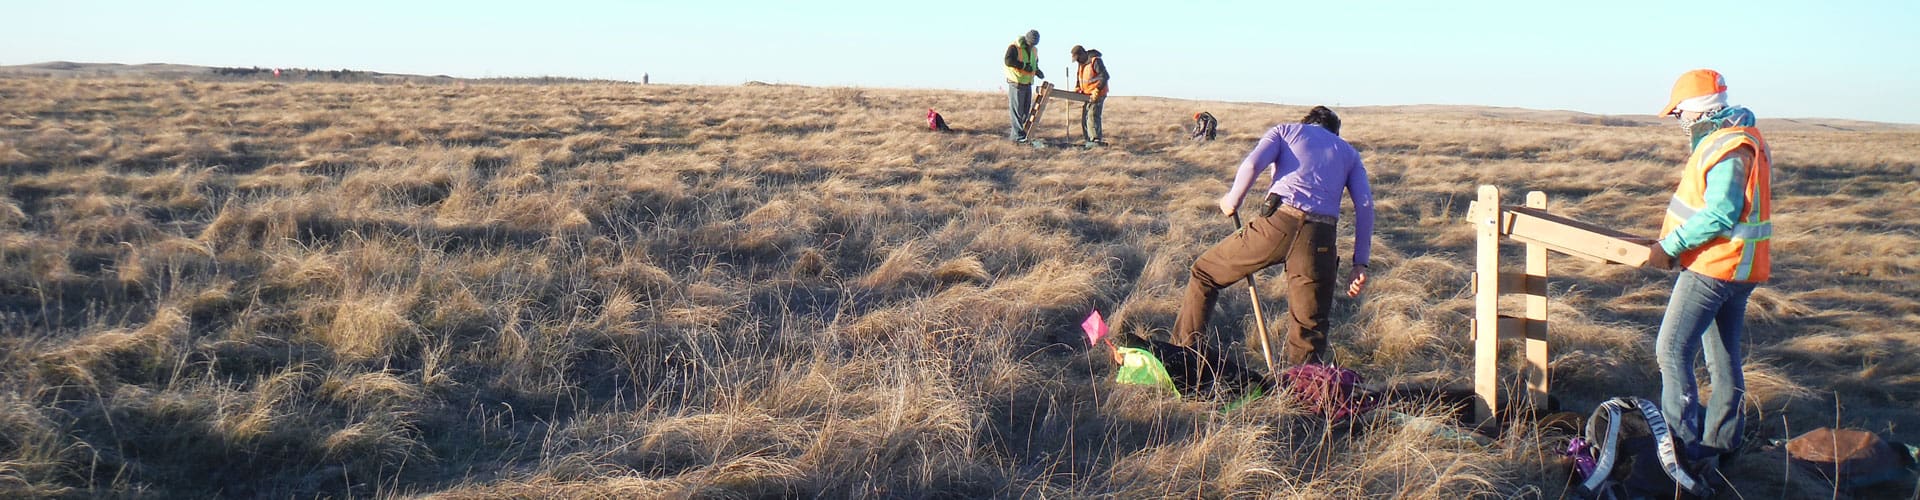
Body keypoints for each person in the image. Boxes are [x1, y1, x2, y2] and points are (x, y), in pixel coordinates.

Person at [1173, 106, 1373, 367]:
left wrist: (1232, 201)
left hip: (1277, 224)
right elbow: (1365, 205)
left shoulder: (1286, 131)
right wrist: (1359, 263)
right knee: (1309, 327)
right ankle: (1301, 387)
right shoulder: (1349, 153)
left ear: (1307, 123)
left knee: (1204, 273)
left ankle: (1183, 358)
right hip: (1320, 239)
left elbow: (1252, 164)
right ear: (1335, 132)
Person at [1645, 69, 1773, 474]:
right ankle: (1721, 447)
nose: (1679, 121)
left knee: (1671, 350)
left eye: (1679, 113)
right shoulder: (1740, 137)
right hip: (1739, 270)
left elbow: (1721, 212)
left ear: (1698, 110)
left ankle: (1679, 453)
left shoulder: (1728, 145)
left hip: (1713, 268)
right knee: (1722, 358)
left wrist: (1670, 247)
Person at [1003, 30, 1044, 142]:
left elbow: (1034, 63)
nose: (1032, 46)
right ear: (1026, 40)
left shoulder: (1034, 50)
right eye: (1031, 43)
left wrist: (1037, 71)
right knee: (1017, 112)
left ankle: (1015, 137)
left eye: (1034, 44)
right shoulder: (1014, 47)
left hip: (1027, 83)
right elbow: (1008, 61)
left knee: (1025, 112)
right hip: (1016, 82)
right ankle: (1018, 137)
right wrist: (1023, 66)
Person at [1071, 45, 1109, 145]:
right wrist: (1078, 87)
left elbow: (1105, 76)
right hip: (1087, 95)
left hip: (1098, 93)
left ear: (1082, 54)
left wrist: (1097, 90)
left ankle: (1096, 140)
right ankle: (1088, 140)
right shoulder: (1081, 64)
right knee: (1085, 118)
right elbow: (1079, 78)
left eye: (1077, 58)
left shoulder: (1095, 61)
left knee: (1092, 115)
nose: (1077, 61)